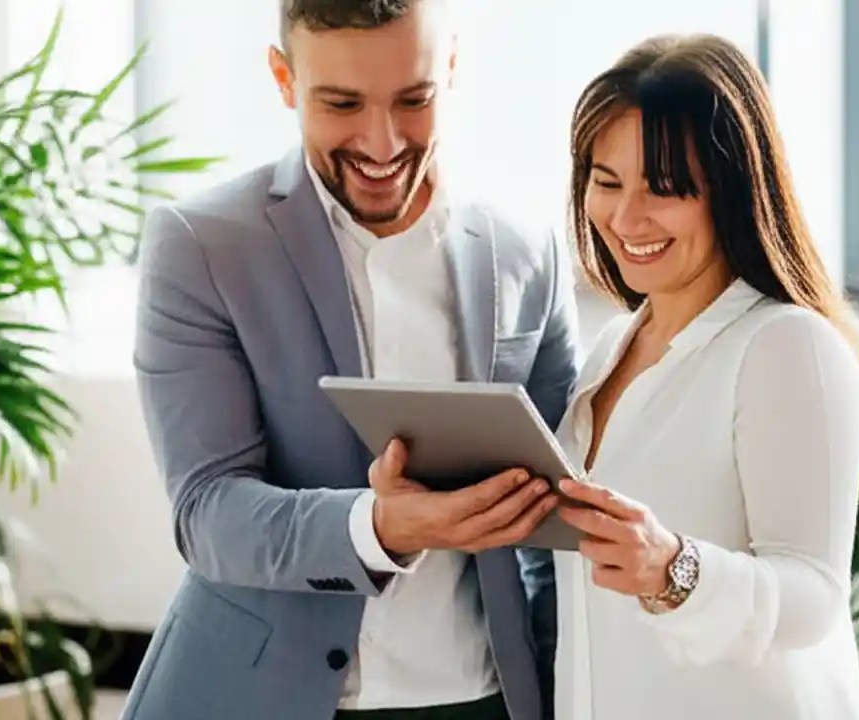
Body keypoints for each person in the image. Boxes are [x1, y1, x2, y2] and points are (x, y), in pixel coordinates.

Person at [121, 1, 578, 719]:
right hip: (260, 693)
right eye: (341, 103)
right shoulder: (203, 246)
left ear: (450, 68)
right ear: (283, 78)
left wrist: (566, 692)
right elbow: (207, 511)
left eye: (414, 99)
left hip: (485, 694)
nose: (383, 141)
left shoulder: (526, 250)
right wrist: (383, 527)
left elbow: (565, 515)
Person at [549, 34, 859, 719]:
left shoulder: (787, 347)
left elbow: (813, 596)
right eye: (607, 183)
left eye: (665, 189)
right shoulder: (615, 346)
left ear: (730, 193)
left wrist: (673, 568)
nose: (627, 217)